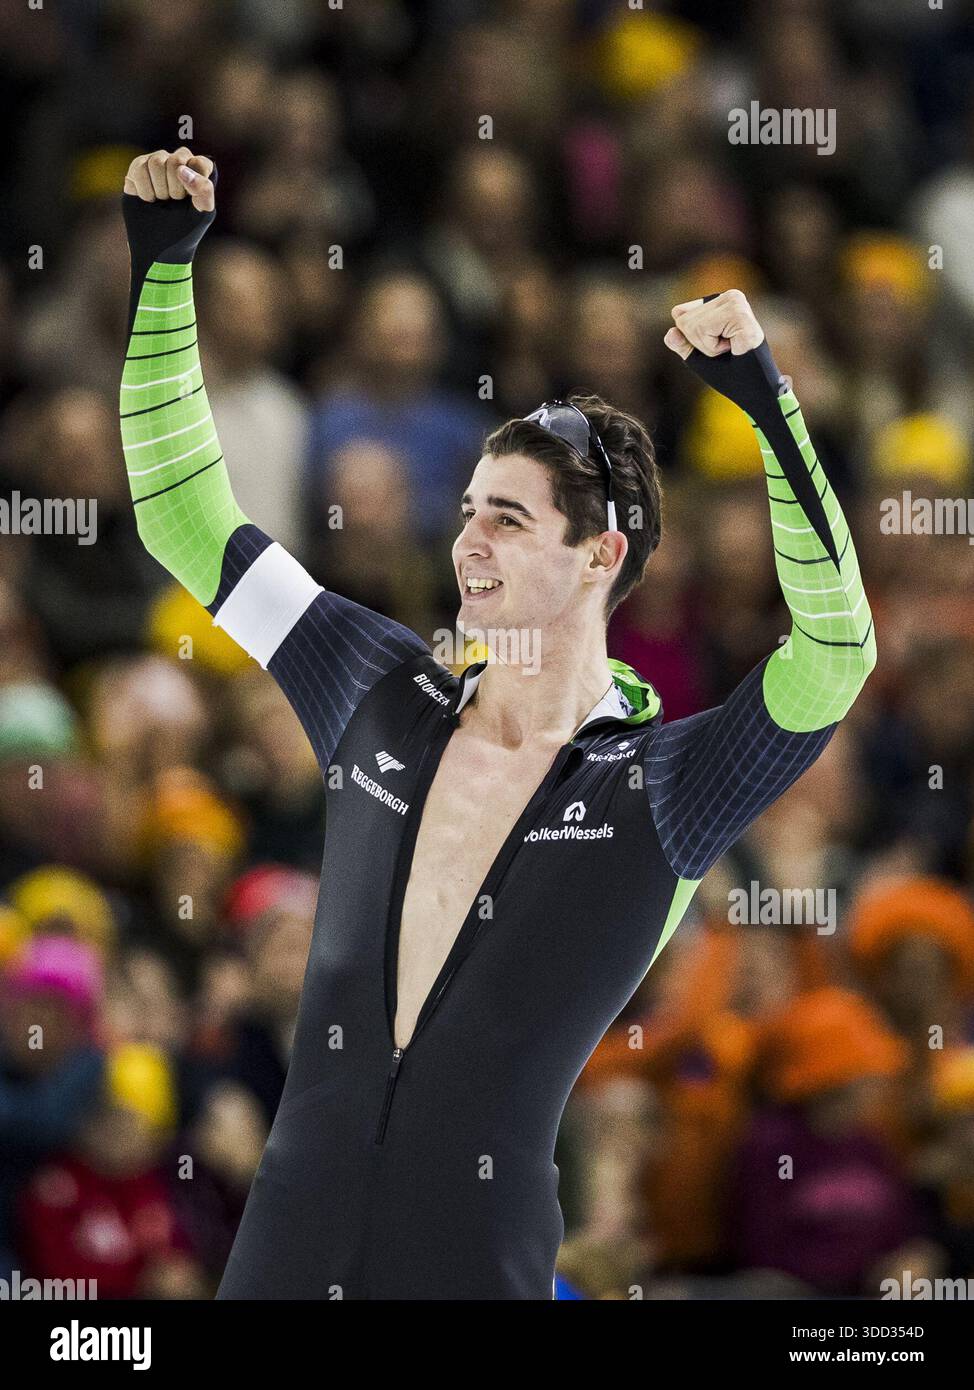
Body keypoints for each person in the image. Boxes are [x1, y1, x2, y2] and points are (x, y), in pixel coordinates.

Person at [117, 148, 876, 1300]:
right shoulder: (376, 683)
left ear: (599, 556)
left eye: (509, 520)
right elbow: (185, 520)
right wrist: (163, 276)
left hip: (473, 1258)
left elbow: (834, 657)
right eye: (469, 509)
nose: (466, 538)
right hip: (285, 1243)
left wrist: (771, 414)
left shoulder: (659, 784)